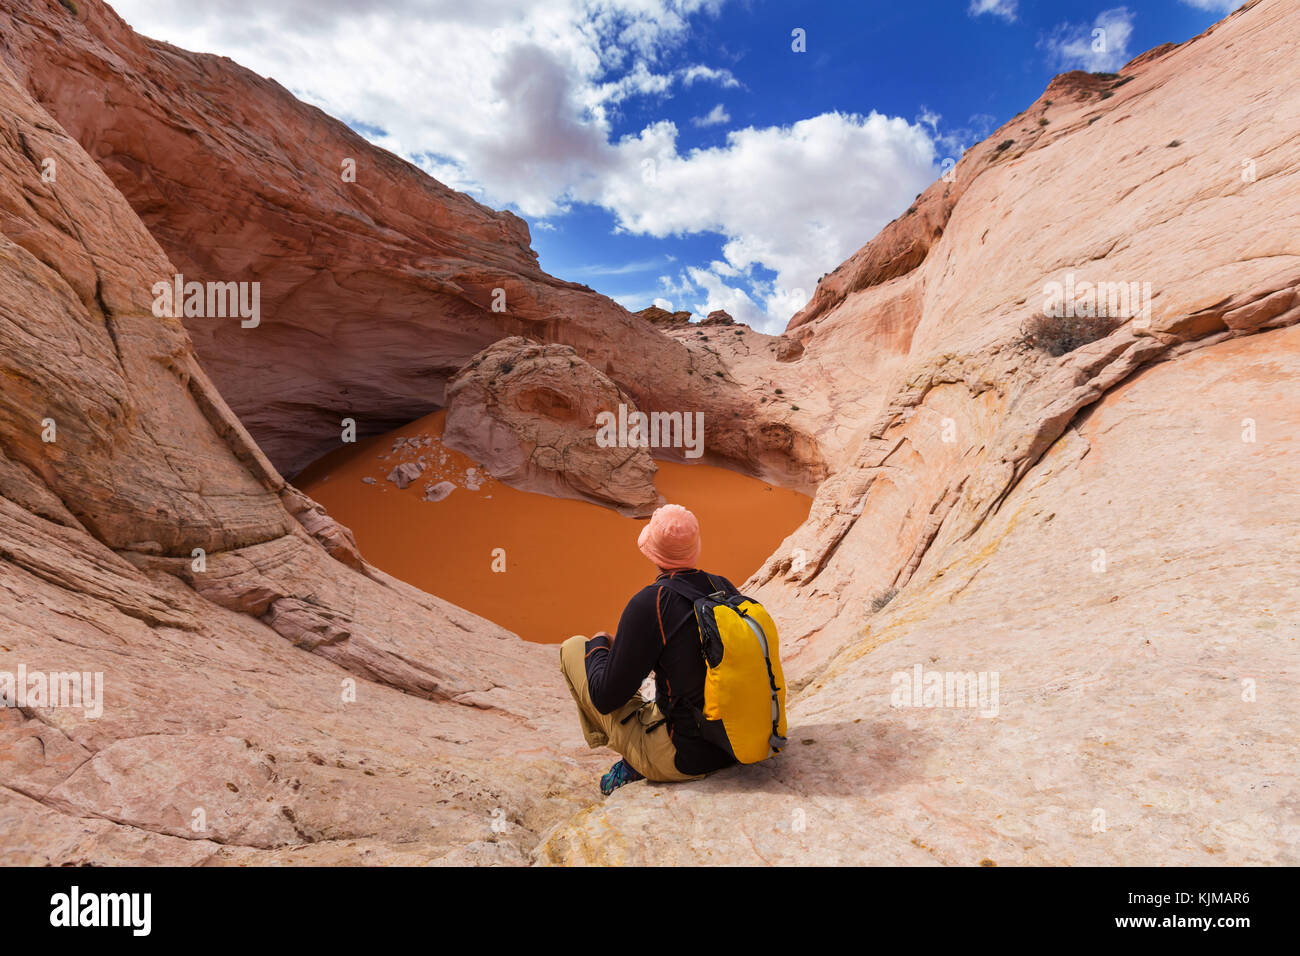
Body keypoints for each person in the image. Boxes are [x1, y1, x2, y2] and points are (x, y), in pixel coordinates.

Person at [560, 503, 739, 795]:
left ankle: (635, 760)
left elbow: (606, 698)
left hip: (686, 759)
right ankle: (639, 751)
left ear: (652, 552)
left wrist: (599, 643)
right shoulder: (723, 587)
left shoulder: (650, 603)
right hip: (736, 743)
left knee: (573, 648)